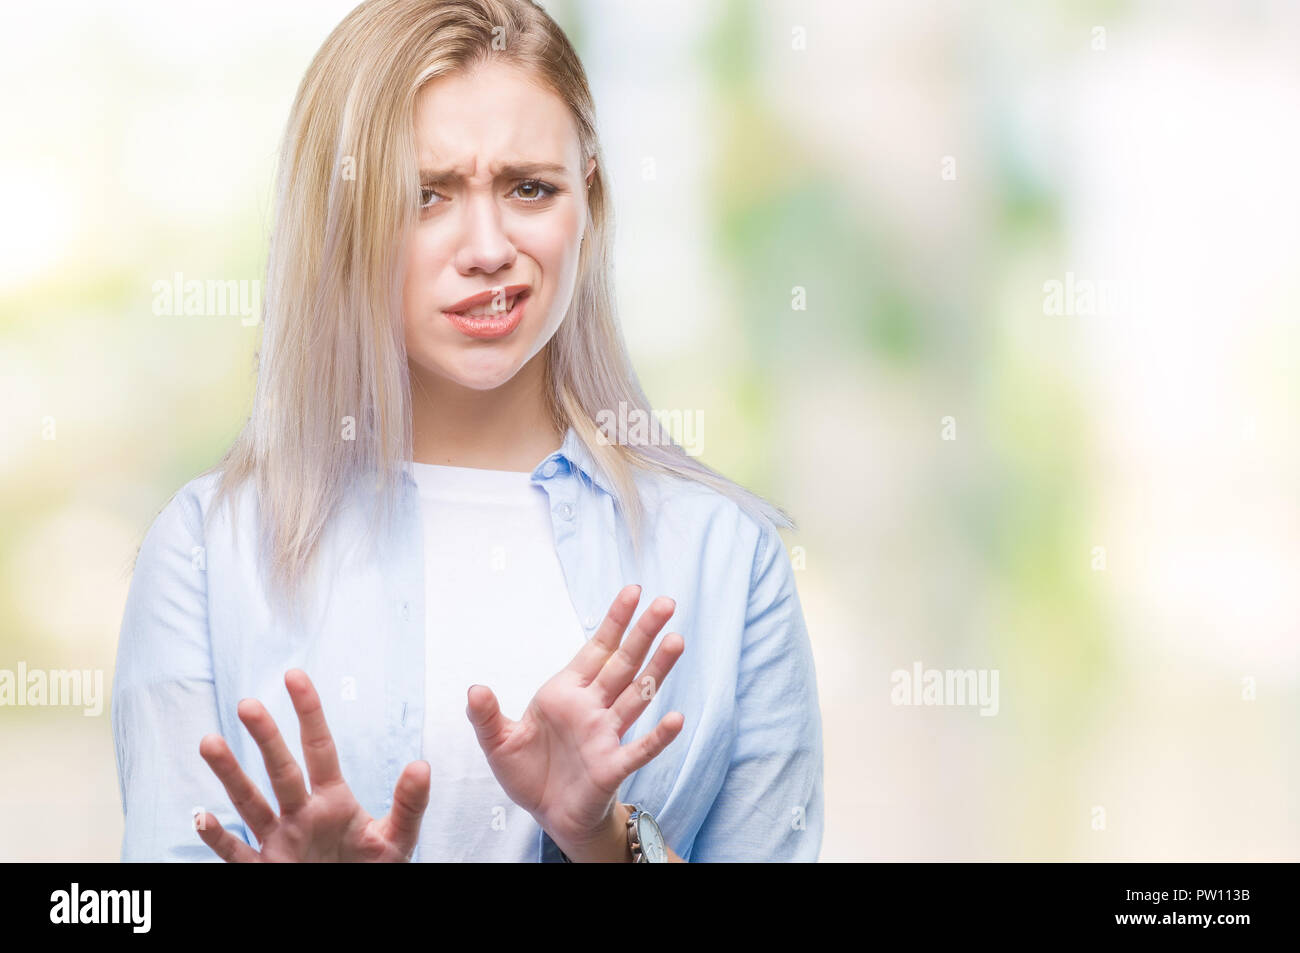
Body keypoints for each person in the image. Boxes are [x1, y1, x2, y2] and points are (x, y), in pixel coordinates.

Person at [111, 0, 823, 862]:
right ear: (341, 221)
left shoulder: (728, 562)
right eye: (424, 195)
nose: (488, 247)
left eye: (531, 187)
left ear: (588, 196)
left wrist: (602, 839)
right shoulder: (206, 553)